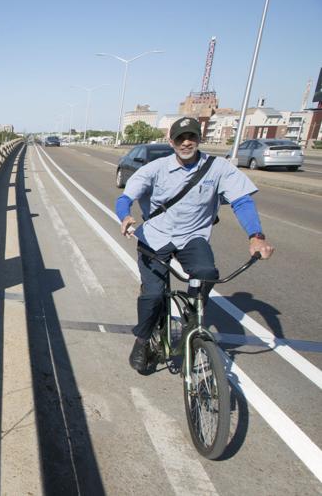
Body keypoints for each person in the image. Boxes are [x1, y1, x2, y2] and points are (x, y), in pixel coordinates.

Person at [115, 117, 275, 373]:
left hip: (192, 237)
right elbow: (124, 198)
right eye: (180, 138)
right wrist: (125, 216)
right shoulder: (155, 169)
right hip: (156, 238)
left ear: (200, 139)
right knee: (153, 294)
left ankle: (193, 317)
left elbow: (242, 202)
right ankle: (143, 339)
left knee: (206, 272)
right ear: (171, 142)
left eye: (191, 137)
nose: (186, 142)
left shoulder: (218, 168)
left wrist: (256, 235)